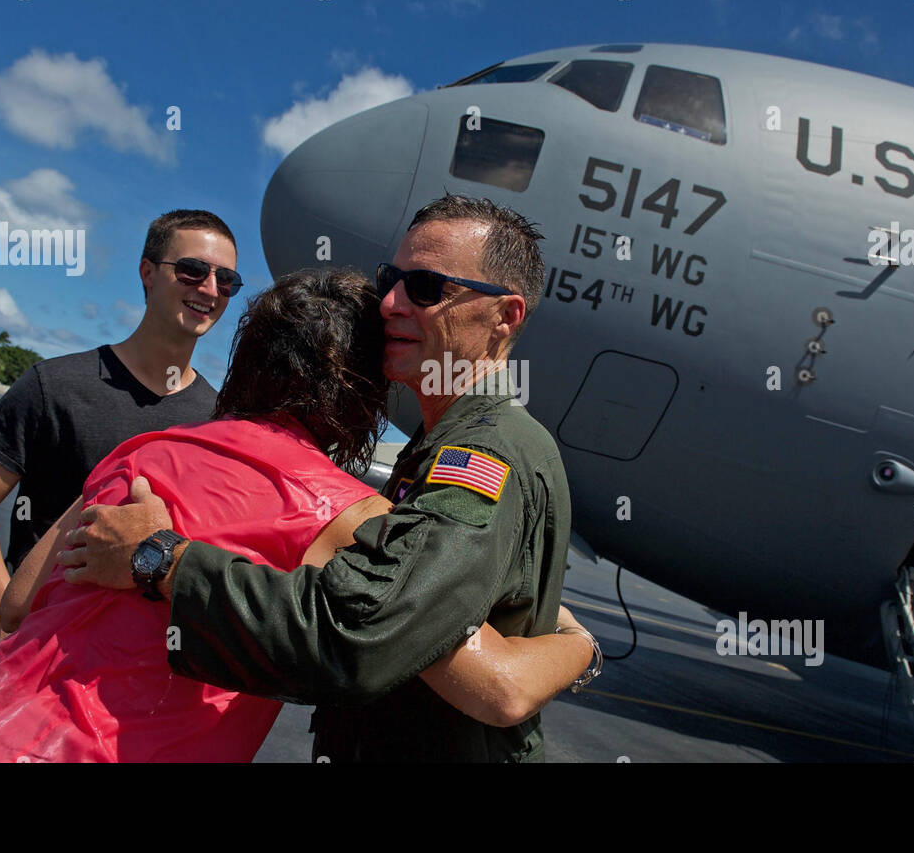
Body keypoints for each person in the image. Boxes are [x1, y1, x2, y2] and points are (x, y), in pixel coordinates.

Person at [0, 269, 592, 763]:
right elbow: (487, 677)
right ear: (357, 391)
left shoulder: (143, 451)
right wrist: (573, 639)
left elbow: (16, 604)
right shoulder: (349, 514)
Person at [63, 194, 592, 762]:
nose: (388, 302)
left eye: (427, 288)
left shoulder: (485, 453)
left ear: (505, 316)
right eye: (391, 279)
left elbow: (357, 632)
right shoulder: (440, 446)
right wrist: (575, 647)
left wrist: (162, 561)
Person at [0, 209, 238, 640]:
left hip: (131, 667)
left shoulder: (218, 422)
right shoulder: (55, 385)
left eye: (226, 279)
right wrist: (6, 619)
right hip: (30, 649)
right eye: (192, 271)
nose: (210, 289)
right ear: (148, 273)